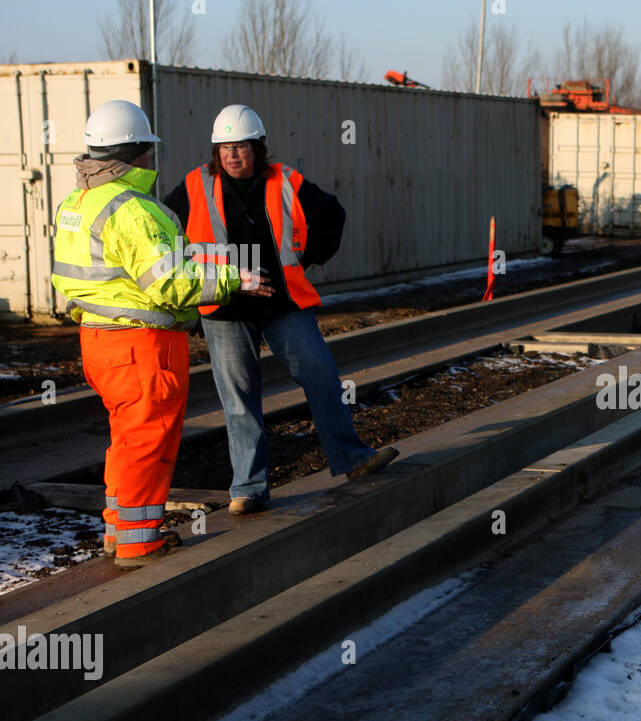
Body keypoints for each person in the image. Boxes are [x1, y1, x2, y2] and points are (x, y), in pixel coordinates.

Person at [51, 100, 274, 568]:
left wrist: (214, 263)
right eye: (147, 150)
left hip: (98, 341)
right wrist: (236, 280)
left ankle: (120, 529)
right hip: (141, 347)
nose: (152, 159)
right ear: (133, 152)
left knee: (126, 438)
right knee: (148, 441)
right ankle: (138, 543)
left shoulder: (78, 202)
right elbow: (169, 284)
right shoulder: (135, 210)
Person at [163, 104, 397, 515]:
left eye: (242, 147)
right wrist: (191, 285)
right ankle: (249, 489)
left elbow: (331, 215)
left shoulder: (285, 180)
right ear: (215, 151)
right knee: (239, 399)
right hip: (224, 310)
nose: (233, 155)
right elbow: (165, 234)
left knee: (322, 376)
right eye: (225, 148)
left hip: (282, 303)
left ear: (258, 148)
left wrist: (306, 257)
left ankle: (353, 460)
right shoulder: (193, 187)